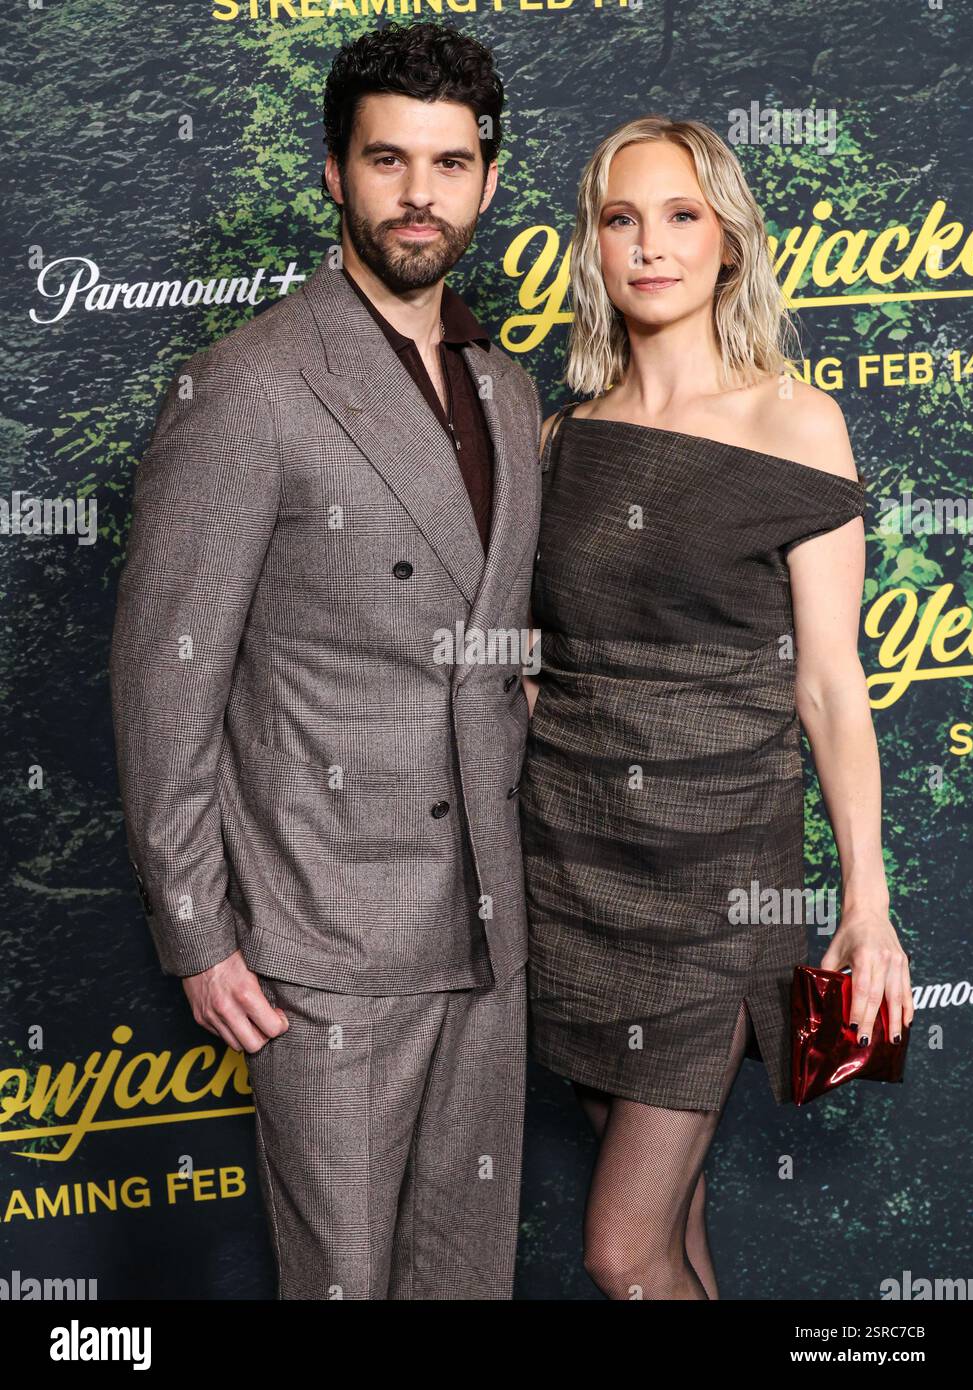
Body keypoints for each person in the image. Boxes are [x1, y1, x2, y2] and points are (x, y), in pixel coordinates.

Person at [109, 21, 543, 1300]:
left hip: (488, 922)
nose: (421, 196)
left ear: (488, 182)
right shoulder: (246, 388)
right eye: (389, 161)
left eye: (451, 164)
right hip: (326, 934)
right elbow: (161, 680)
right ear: (334, 175)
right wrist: (198, 934)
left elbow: (492, 626)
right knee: (344, 1283)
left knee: (465, 1279)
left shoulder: (507, 388)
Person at [519, 114, 914, 1300]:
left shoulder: (793, 422)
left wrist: (867, 900)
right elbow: (548, 657)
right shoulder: (560, 437)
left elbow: (830, 684)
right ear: (591, 245)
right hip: (575, 876)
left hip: (718, 890)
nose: (651, 244)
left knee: (622, 1254)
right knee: (677, 1235)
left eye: (681, 215)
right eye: (620, 217)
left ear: (728, 243)